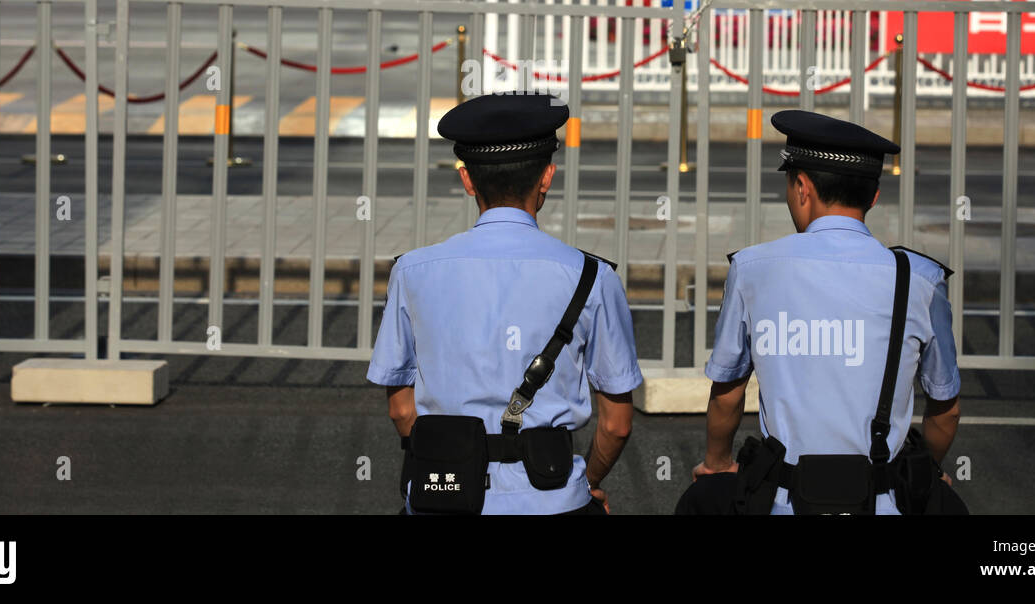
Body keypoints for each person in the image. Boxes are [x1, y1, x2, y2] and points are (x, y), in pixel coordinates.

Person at [677, 109, 964, 515]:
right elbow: (945, 408)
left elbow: (727, 393)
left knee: (699, 502)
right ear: (874, 197)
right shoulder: (920, 278)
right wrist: (928, 470)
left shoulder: (753, 268)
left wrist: (717, 463)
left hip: (784, 501)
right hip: (883, 502)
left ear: (802, 188)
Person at [368, 91, 643, 515]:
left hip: (444, 498)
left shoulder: (412, 271)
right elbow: (616, 423)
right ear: (547, 177)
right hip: (553, 500)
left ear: (467, 180)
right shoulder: (593, 277)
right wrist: (585, 485)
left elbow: (402, 408)